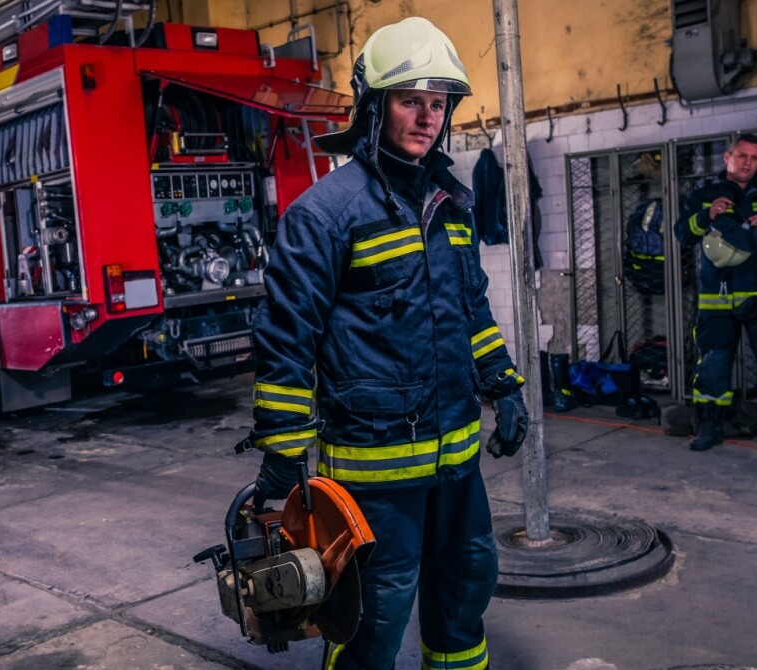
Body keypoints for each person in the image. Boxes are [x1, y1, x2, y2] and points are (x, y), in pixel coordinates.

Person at [242, 17, 528, 670]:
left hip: (457, 465)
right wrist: (284, 459)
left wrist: (504, 384)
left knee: (463, 597)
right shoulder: (324, 216)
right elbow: (287, 345)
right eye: (410, 101)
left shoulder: (449, 203)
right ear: (374, 107)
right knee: (372, 621)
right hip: (375, 477)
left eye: (437, 103)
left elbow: (472, 312)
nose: (427, 118)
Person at [673, 133, 757, 451]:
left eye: (755, 158)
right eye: (743, 156)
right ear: (727, 157)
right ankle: (709, 427)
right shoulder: (705, 195)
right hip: (716, 297)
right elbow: (682, 234)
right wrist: (706, 215)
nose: (748, 163)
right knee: (713, 364)